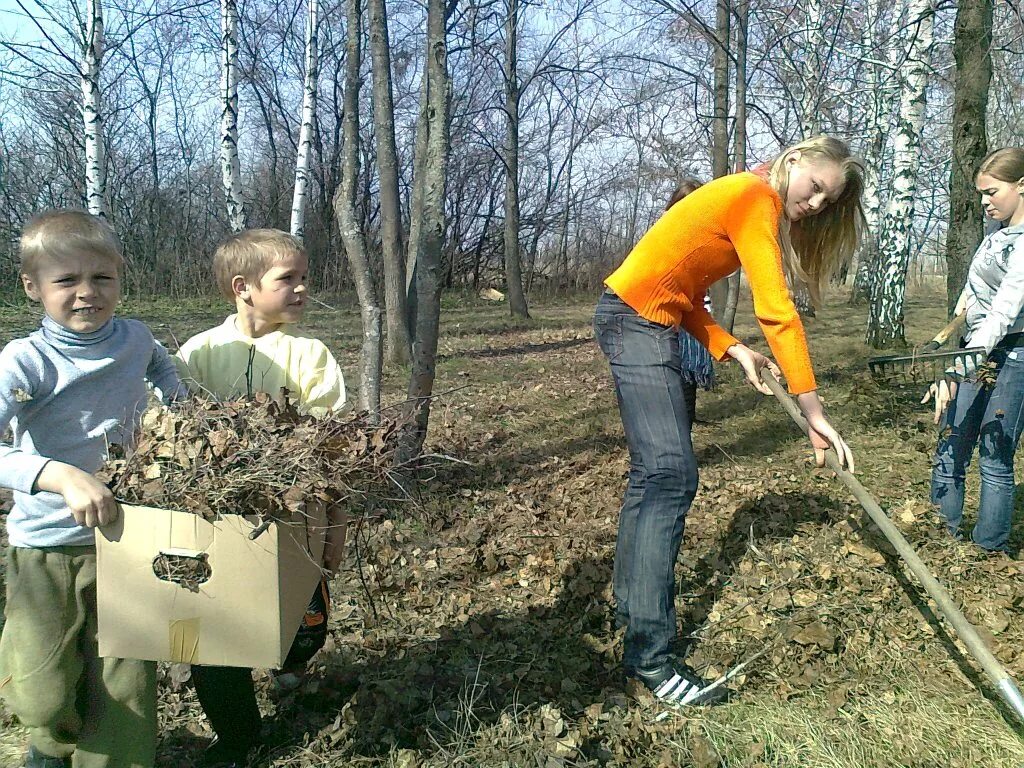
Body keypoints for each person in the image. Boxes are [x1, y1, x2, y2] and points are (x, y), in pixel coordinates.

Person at [594, 136, 862, 706]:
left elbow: (679, 293)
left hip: (644, 318)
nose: (815, 205)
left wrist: (731, 349)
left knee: (655, 475)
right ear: (793, 161)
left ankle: (632, 606)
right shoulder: (750, 197)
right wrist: (813, 409)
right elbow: (776, 309)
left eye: (827, 202)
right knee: (670, 474)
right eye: (815, 187)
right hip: (634, 322)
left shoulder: (745, 197)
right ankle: (651, 657)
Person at [0, 210, 185, 768]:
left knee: (125, 686)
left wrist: (183, 412)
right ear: (33, 287)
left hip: (127, 539)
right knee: (42, 693)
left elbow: (160, 366)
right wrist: (54, 474)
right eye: (66, 281)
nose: (87, 293)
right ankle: (49, 744)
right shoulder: (25, 360)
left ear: (120, 279)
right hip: (46, 548)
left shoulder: (135, 338)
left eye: (101, 278)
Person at [174, 228, 348, 768]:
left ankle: (291, 669)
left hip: (291, 517)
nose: (301, 290)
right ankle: (238, 734)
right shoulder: (200, 353)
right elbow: (175, 426)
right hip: (215, 522)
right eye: (287, 279)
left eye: (304, 279)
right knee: (212, 640)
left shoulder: (310, 354)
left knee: (305, 622)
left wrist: (333, 522)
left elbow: (334, 440)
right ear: (242, 287)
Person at [922, 148, 1024, 553]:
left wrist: (957, 369)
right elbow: (973, 295)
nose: (984, 201)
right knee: (953, 438)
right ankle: (938, 534)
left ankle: (987, 550)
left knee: (994, 456)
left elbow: (1003, 311)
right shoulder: (993, 237)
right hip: (976, 347)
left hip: (1015, 353)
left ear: (1021, 187)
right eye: (981, 193)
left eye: (992, 192)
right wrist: (952, 333)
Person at [666, 178, 716, 424]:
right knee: (674, 377)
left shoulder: (706, 238)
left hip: (695, 315)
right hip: (667, 317)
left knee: (690, 376)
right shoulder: (664, 236)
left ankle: (687, 424)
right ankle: (677, 431)